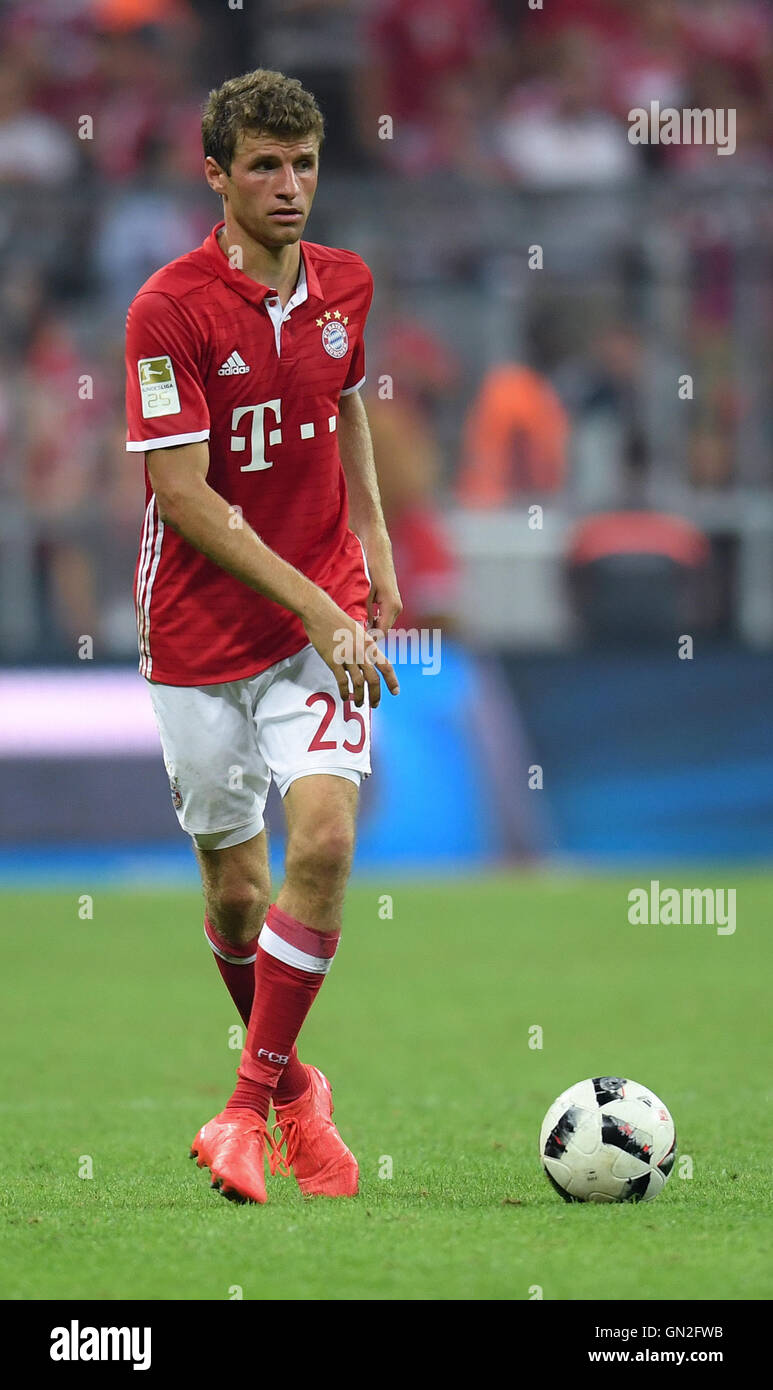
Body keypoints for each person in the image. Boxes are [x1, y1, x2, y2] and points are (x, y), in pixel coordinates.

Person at [124, 69, 401, 1204]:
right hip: (197, 625)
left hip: (315, 615)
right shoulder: (166, 308)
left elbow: (342, 409)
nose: (289, 188)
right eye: (264, 167)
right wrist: (319, 603)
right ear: (216, 174)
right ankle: (291, 1093)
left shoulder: (348, 284)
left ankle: (243, 1104)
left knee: (326, 845)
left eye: (304, 165)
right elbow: (183, 495)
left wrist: (372, 552)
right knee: (237, 894)